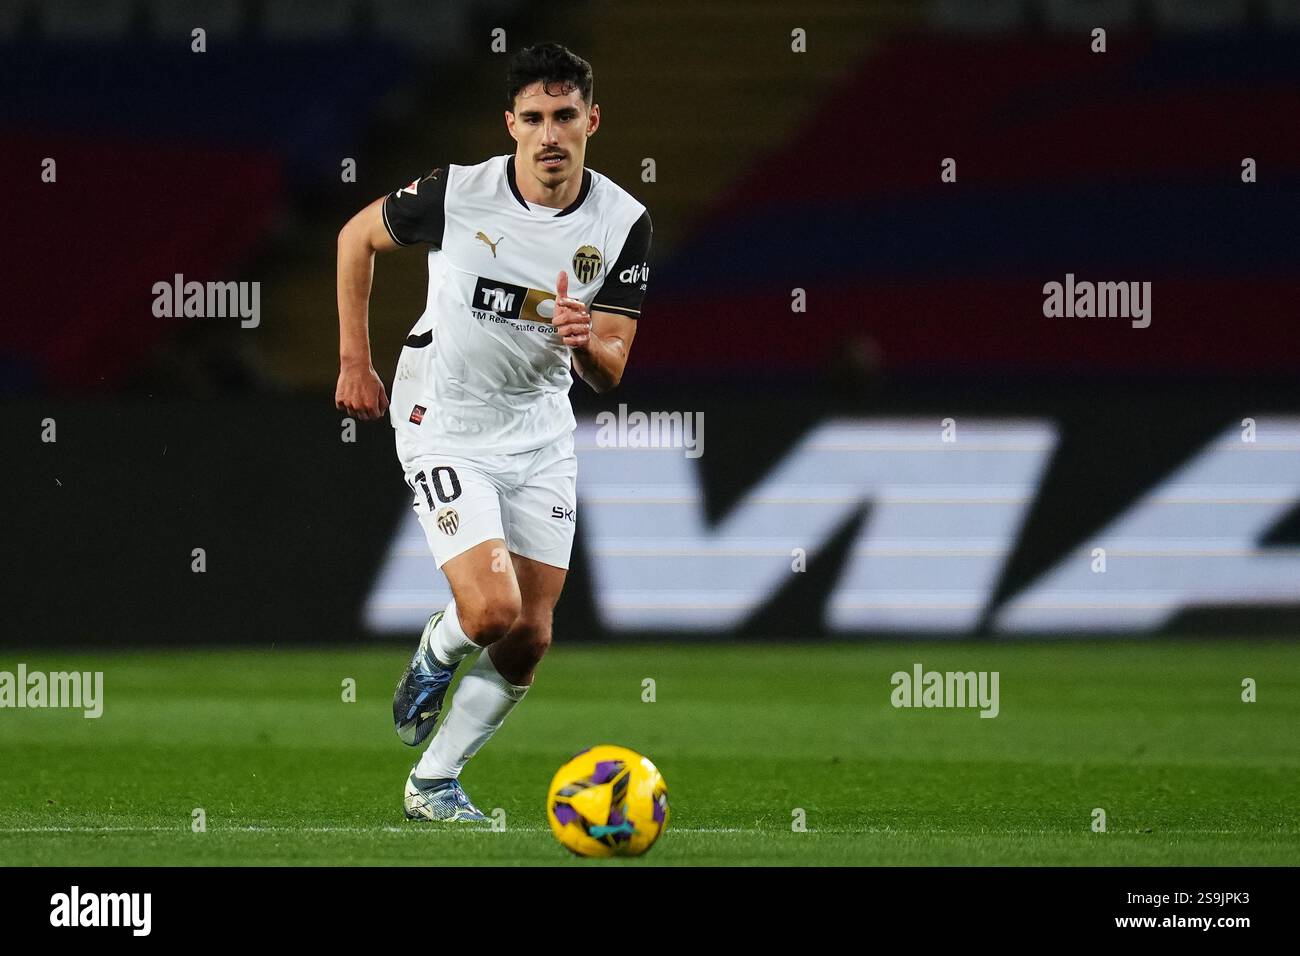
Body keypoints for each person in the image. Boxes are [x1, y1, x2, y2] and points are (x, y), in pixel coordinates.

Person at [334, 42, 652, 821]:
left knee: (530, 638)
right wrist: (354, 362)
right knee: (487, 615)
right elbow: (354, 239)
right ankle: (436, 653)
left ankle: (432, 785)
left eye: (565, 117)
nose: (550, 135)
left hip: (539, 430)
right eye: (534, 118)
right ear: (510, 124)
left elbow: (612, 368)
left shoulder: (622, 222)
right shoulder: (458, 193)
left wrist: (587, 345)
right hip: (443, 416)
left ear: (592, 121)